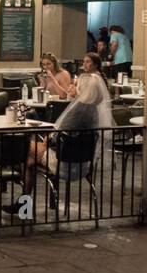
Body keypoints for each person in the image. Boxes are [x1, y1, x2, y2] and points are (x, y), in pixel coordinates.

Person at [9, 52, 113, 212]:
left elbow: (58, 136)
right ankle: (24, 203)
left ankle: (24, 205)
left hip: (64, 162)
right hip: (85, 163)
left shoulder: (78, 111)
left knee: (26, 150)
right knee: (30, 160)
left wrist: (47, 139)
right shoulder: (94, 112)